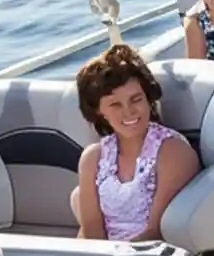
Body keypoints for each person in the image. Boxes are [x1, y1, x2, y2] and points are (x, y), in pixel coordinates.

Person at [73, 44, 201, 242]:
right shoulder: (92, 158)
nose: (129, 111)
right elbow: (91, 232)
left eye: (136, 99)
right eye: (115, 104)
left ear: (148, 98)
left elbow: (157, 233)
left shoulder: (173, 152)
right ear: (99, 111)